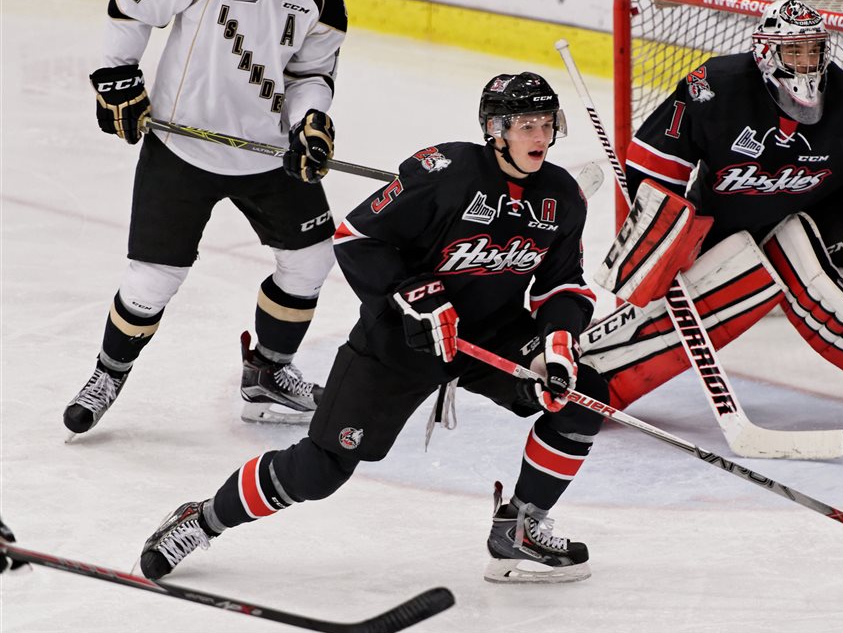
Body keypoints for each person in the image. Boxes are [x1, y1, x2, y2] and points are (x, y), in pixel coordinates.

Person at [137, 72, 605, 584]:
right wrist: (416, 293)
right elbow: (357, 237)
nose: (540, 137)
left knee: (581, 397)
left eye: (546, 124)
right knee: (320, 470)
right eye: (526, 125)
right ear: (496, 129)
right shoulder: (445, 172)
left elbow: (564, 285)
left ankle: (520, 527)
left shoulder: (562, 197)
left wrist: (555, 346)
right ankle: (203, 520)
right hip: (400, 342)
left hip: (487, 336)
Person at [583, 0, 843, 442]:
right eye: (794, 51)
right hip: (728, 227)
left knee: (833, 298)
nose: (807, 62)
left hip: (824, 225)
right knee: (688, 311)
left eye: (813, 49)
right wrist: (663, 231)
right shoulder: (715, 88)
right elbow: (654, 160)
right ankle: (591, 376)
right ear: (767, 52)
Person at [65, 0, 347, 434]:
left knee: (311, 260)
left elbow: (311, 74)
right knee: (153, 281)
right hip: (182, 148)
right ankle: (108, 374)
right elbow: (131, 5)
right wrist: (117, 75)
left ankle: (268, 372)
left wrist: (308, 121)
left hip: (267, 156)